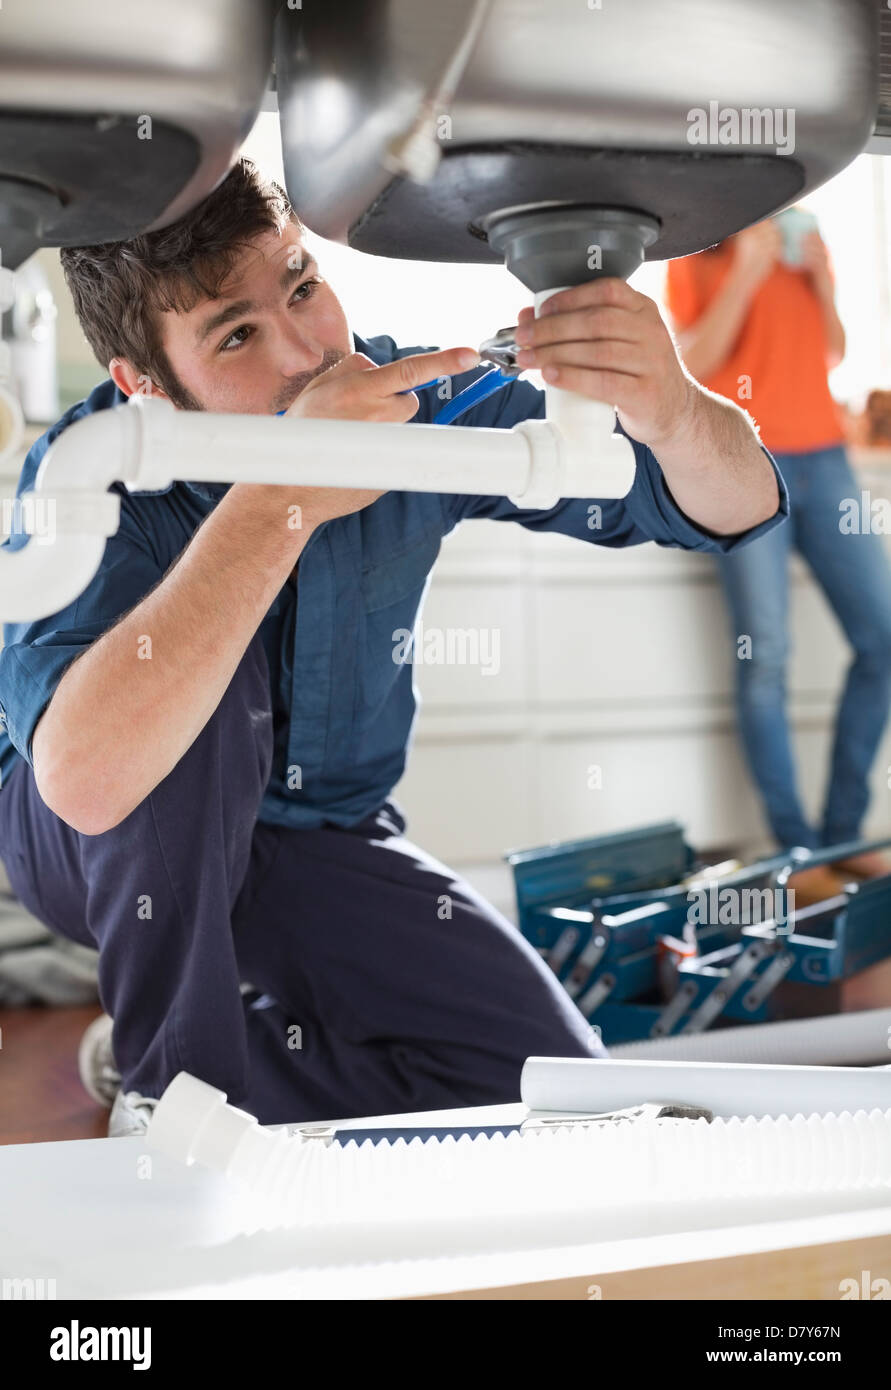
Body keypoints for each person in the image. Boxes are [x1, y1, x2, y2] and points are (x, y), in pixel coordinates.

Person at [0, 160, 784, 1134]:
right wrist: (285, 496)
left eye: (300, 288)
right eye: (236, 334)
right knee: (195, 674)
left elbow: (734, 506)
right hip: (98, 845)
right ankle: (172, 1104)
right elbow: (86, 779)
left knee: (551, 1093)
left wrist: (670, 408)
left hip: (316, 838)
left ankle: (195, 1069)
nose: (302, 354)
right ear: (143, 385)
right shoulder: (91, 471)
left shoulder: (405, 400)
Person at [666, 216, 891, 900]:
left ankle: (841, 836)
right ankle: (795, 850)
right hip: (743, 456)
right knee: (764, 654)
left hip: (825, 457)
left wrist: (821, 281)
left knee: (882, 638)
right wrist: (744, 272)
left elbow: (832, 350)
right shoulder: (694, 251)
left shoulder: (804, 238)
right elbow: (693, 364)